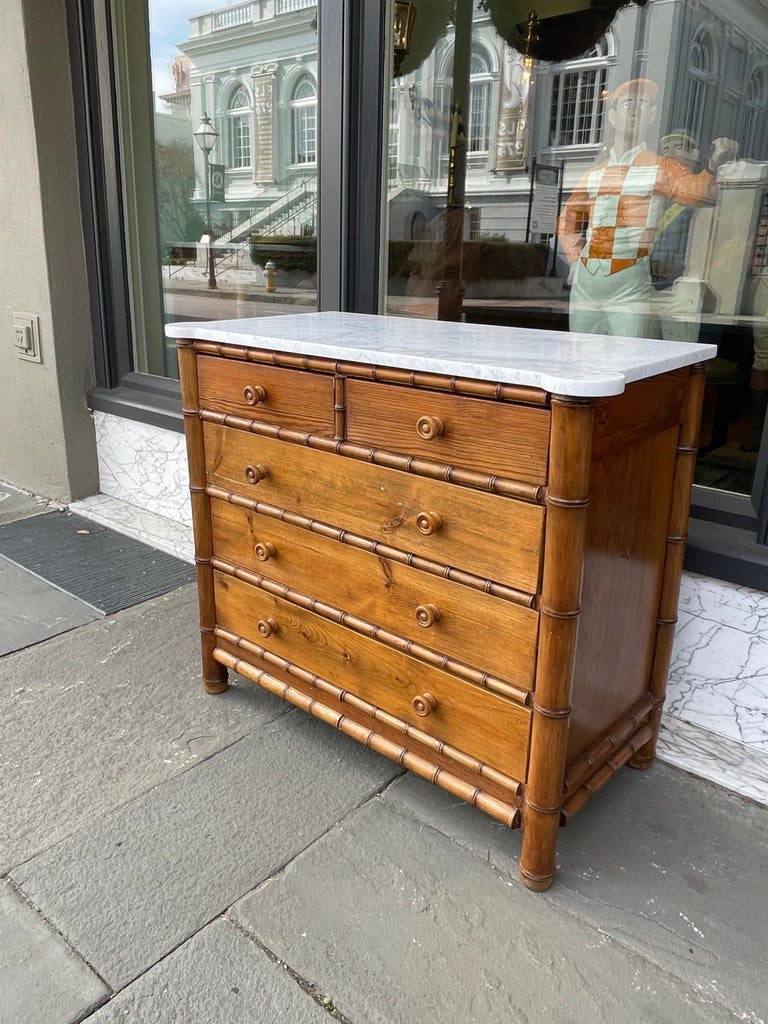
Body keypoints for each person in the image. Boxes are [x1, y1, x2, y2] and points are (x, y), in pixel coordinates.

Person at [557, 78, 739, 338]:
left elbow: (695, 193)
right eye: (628, 104)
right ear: (612, 116)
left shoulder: (661, 167)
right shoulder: (595, 173)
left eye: (642, 105)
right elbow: (567, 220)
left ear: (652, 115)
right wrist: (575, 258)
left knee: (629, 361)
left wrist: (712, 167)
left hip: (628, 284)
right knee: (581, 357)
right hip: (587, 284)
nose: (633, 111)